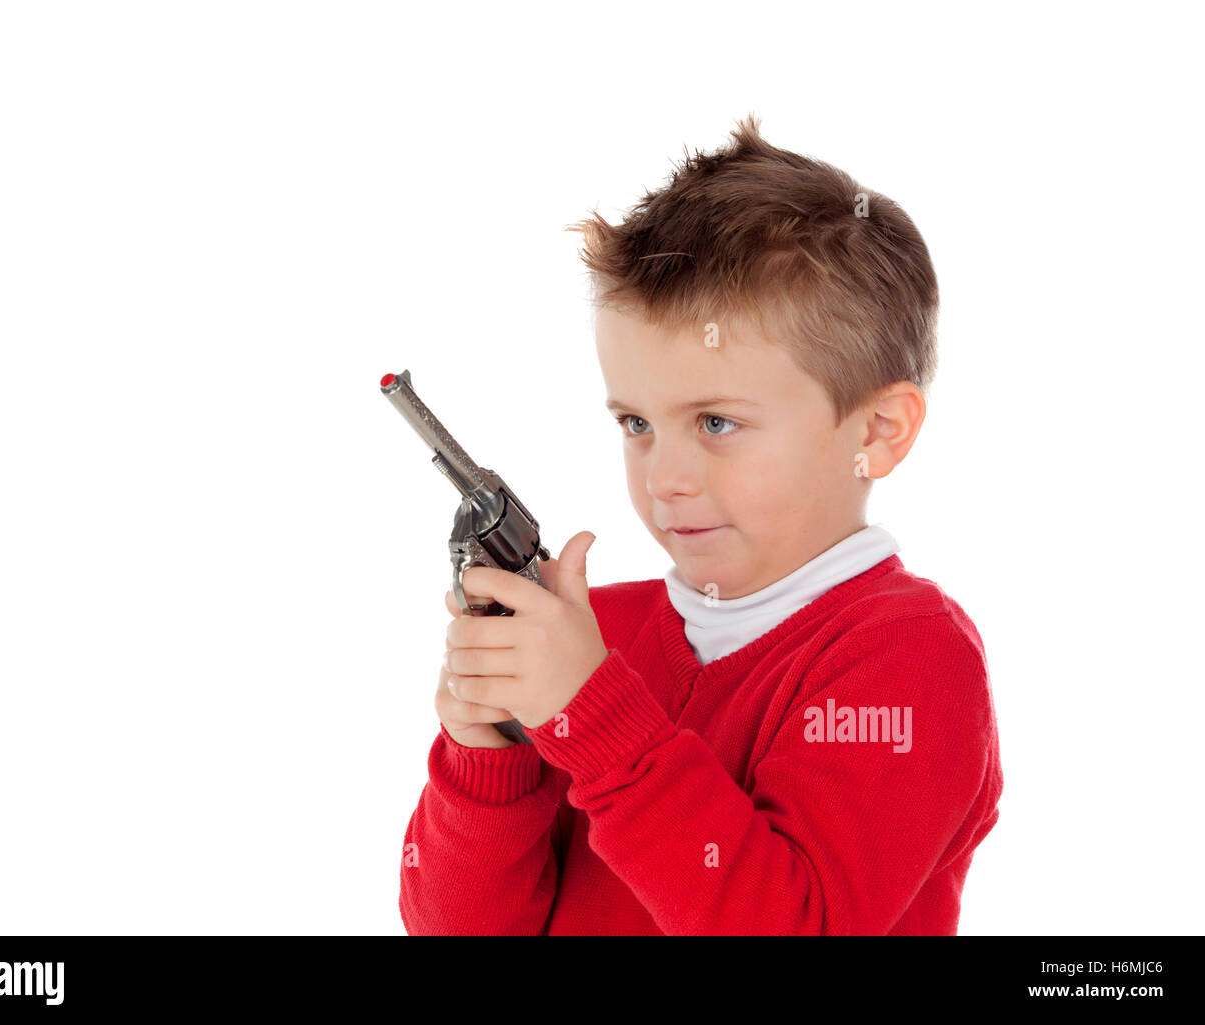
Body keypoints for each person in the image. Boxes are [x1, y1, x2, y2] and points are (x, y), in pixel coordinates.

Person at [399, 114, 1003, 935]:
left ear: (875, 433)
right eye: (636, 423)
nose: (665, 477)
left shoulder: (910, 659)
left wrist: (596, 715)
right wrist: (487, 755)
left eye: (716, 422)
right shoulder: (596, 635)